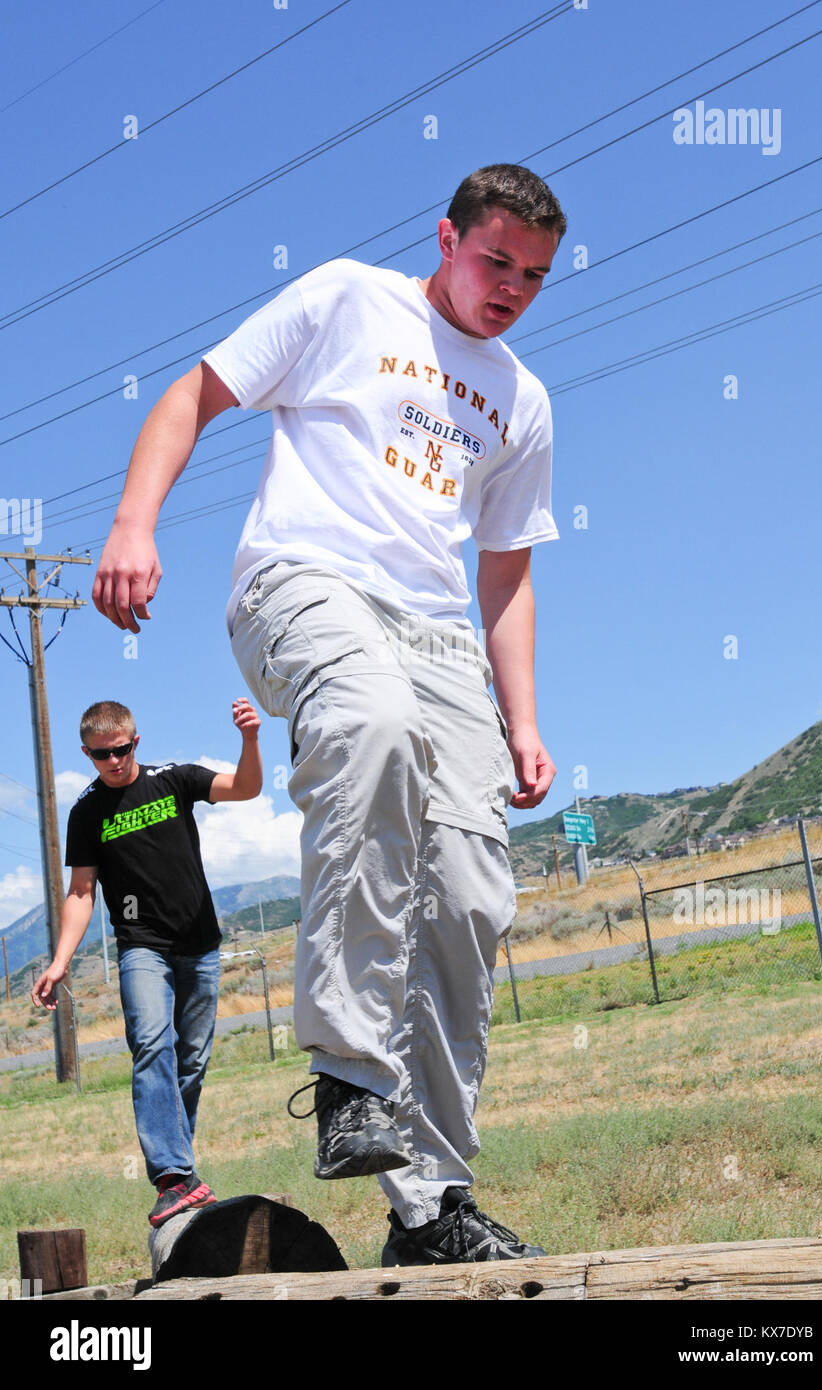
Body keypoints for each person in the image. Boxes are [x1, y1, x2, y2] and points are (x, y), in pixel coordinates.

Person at [91, 163, 565, 1264]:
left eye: (533, 278)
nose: (508, 290)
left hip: (440, 635)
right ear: (446, 236)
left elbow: (505, 574)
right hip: (303, 585)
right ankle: (350, 1071)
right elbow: (193, 394)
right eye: (493, 260)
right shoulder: (347, 297)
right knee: (372, 728)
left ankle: (430, 1204)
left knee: (470, 890)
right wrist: (132, 521)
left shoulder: (522, 399)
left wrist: (523, 717)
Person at [31, 697, 263, 1228]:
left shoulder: (174, 779)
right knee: (152, 1043)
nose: (112, 762)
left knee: (192, 1062)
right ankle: (172, 1176)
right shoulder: (86, 813)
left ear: (135, 742)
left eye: (120, 750)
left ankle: (184, 1175)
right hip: (141, 946)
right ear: (87, 753)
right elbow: (82, 891)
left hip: (200, 944)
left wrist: (250, 739)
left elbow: (247, 788)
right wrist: (61, 960)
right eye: (99, 755)